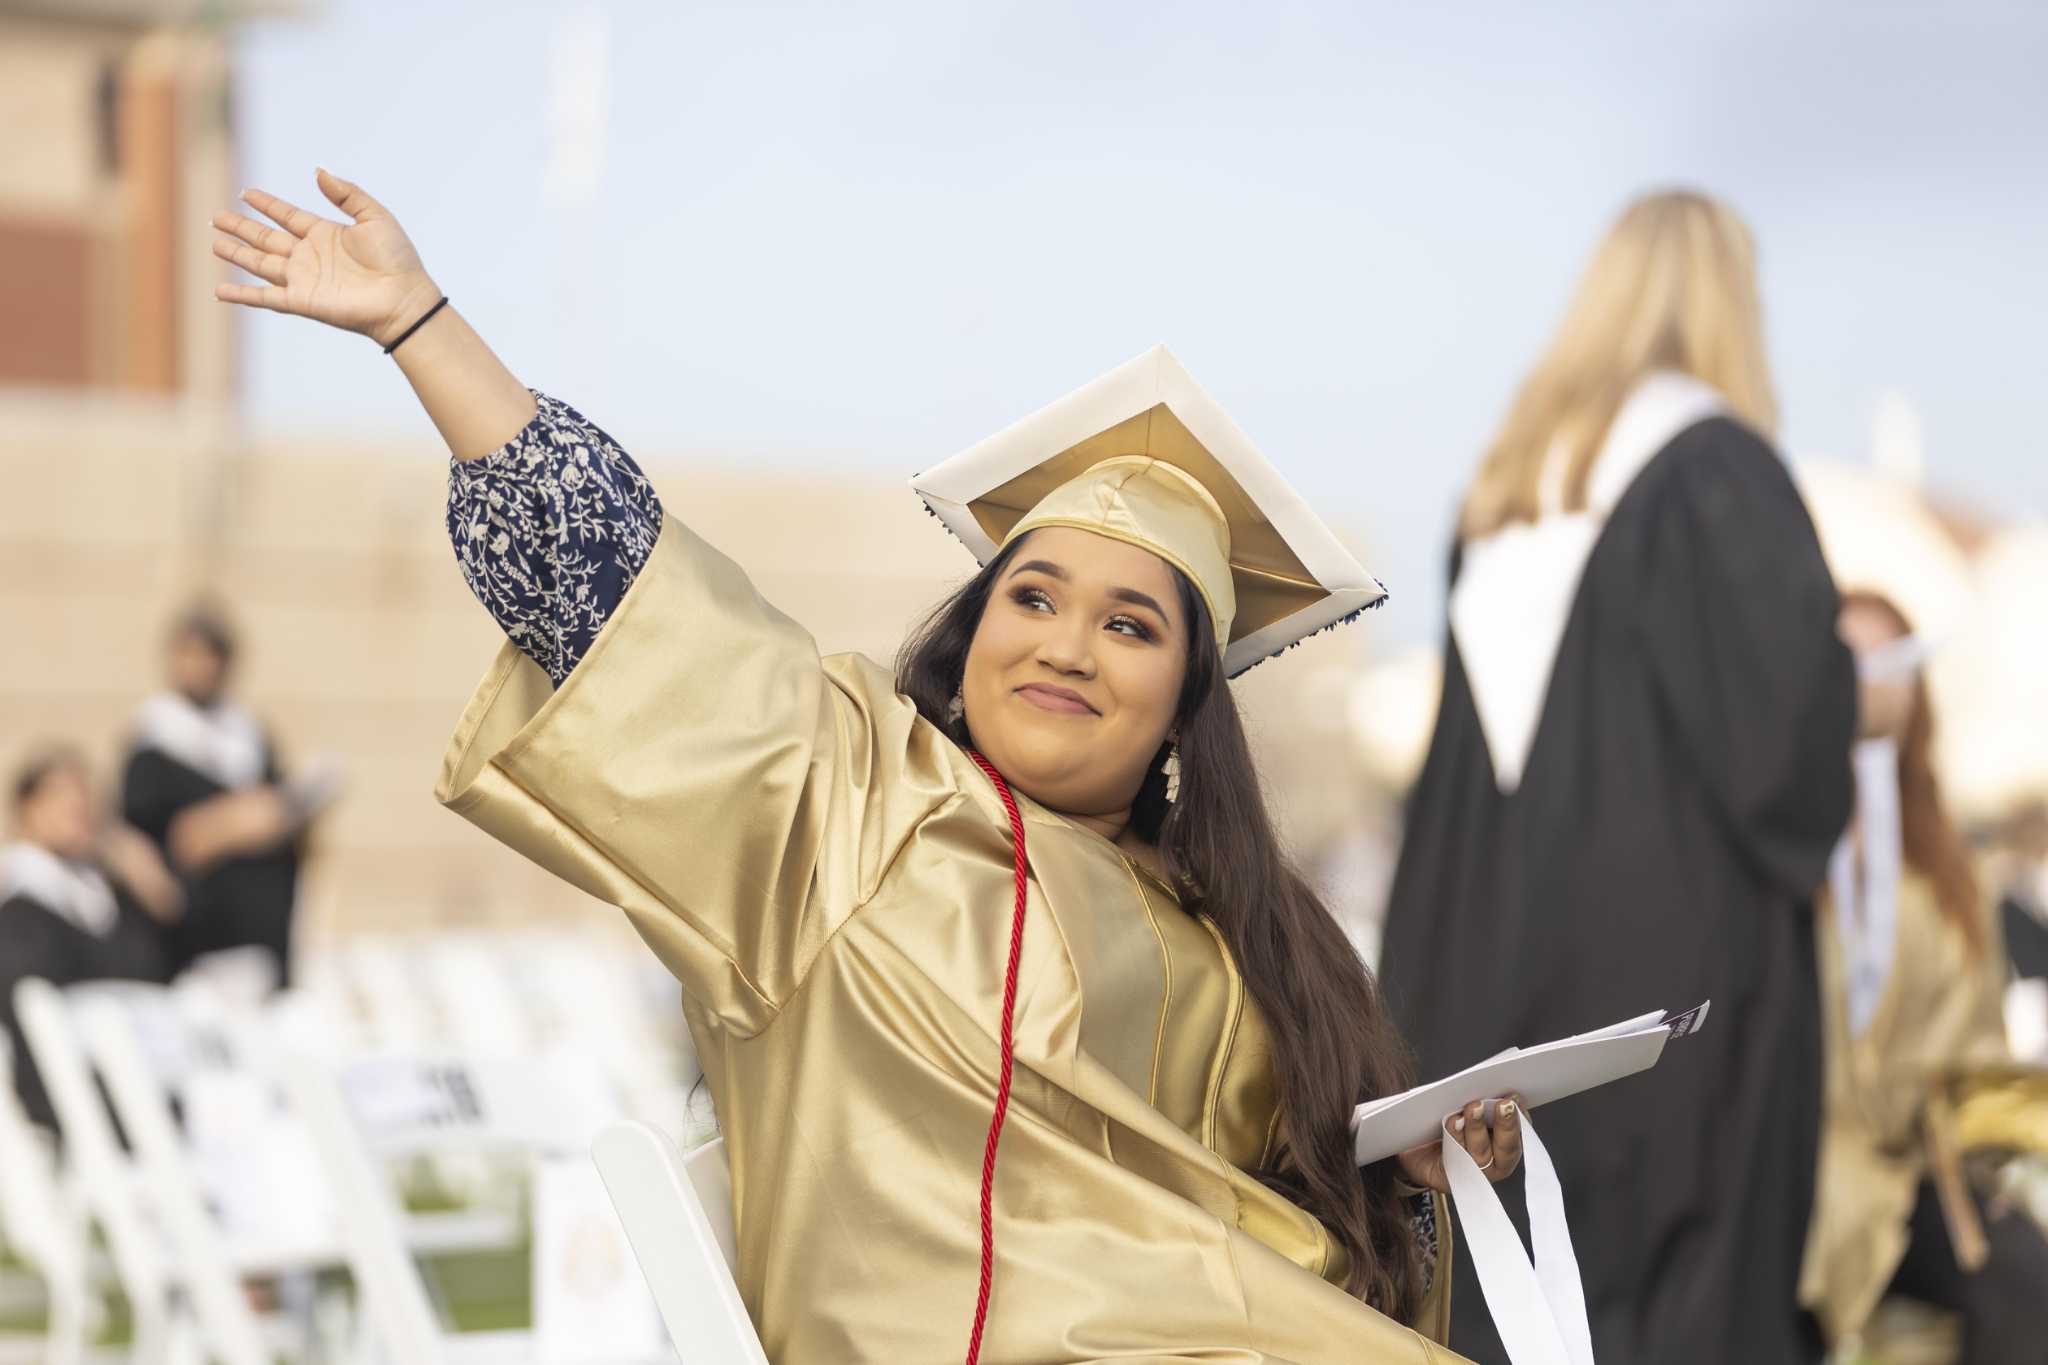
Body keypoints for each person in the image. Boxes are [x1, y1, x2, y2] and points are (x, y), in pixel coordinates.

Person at [208, 167, 1535, 1364]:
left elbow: (1287, 1228)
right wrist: (421, 328)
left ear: (1186, 706)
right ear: (969, 638)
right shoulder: (853, 800)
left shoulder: (1240, 941)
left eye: (1130, 626)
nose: (1065, 645)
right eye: (1031, 598)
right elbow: (603, 576)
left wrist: (1413, 1179)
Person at [1378, 190, 1858, 1364]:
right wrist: (1859, 694)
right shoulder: (1715, 471)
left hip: (1487, 984)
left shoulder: (1505, 495)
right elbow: (1780, 761)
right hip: (1673, 1013)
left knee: (1515, 1296)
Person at [1801, 590, 2048, 1365]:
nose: (1874, 680)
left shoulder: (1950, 868)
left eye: (1893, 661)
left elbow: (1979, 1039)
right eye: (1854, 660)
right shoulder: (1783, 848)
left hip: (1919, 1169)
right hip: (1800, 1165)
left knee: (2023, 1280)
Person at [118, 604, 335, 986]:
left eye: (210, 656)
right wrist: (234, 822)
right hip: (196, 936)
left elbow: (278, 807)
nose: (200, 667)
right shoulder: (154, 740)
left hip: (264, 928)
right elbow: (164, 838)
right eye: (190, 655)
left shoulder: (248, 734)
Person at [1, 748, 181, 1131]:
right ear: (28, 809)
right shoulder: (19, 902)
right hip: (66, 1089)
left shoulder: (106, 894)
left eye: (84, 796)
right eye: (61, 796)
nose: (78, 808)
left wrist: (150, 882)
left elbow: (154, 971)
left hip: (136, 1070)